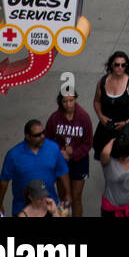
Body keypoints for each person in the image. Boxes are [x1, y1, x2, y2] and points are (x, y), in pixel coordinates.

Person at [0, 119, 70, 218]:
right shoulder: (13, 155)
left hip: (48, 206)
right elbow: (3, 182)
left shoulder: (53, 148)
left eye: (43, 133)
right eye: (37, 135)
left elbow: (63, 172)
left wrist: (68, 193)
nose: (42, 136)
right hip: (22, 207)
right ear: (27, 136)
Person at [44, 90, 94, 218]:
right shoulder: (54, 118)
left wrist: (74, 153)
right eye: (65, 101)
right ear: (60, 101)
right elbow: (48, 139)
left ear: (76, 99)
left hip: (79, 162)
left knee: (76, 198)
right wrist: (60, 151)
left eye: (71, 100)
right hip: (61, 162)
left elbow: (88, 143)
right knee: (64, 198)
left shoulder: (84, 117)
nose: (68, 104)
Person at [92, 52, 129, 160]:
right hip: (106, 129)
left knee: (124, 161)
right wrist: (101, 117)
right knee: (105, 159)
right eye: (117, 64)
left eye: (123, 65)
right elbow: (97, 101)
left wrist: (127, 122)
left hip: (125, 131)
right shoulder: (102, 82)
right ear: (111, 65)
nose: (120, 67)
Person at [99, 129, 129, 218]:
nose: (124, 158)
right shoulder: (108, 162)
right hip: (111, 209)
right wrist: (112, 141)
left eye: (126, 155)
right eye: (121, 156)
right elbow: (105, 153)